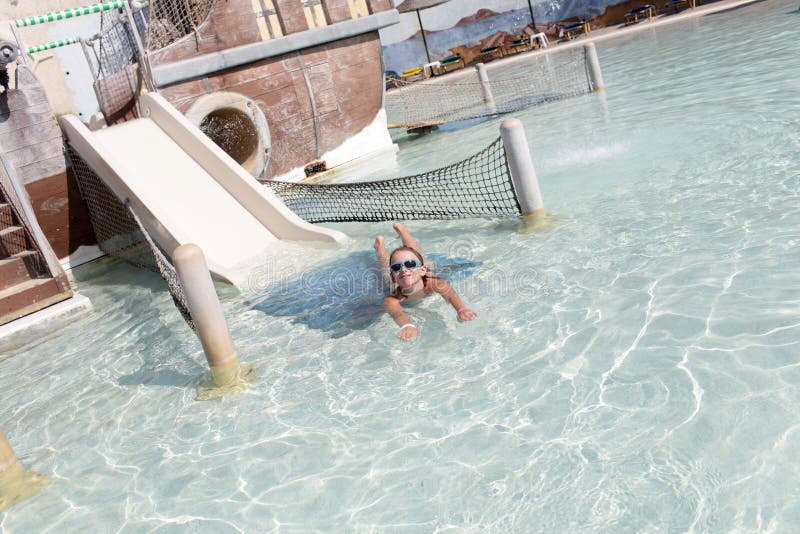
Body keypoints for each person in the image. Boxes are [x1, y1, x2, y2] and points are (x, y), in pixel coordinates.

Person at [374, 223, 478, 341]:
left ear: (422, 270)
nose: (404, 269)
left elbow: (450, 295)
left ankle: (403, 232)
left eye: (410, 265)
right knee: (385, 264)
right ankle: (379, 246)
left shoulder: (433, 284)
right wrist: (407, 325)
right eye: (397, 268)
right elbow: (397, 313)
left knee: (418, 255)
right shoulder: (392, 298)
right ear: (393, 277)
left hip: (426, 274)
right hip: (395, 283)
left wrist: (461, 309)